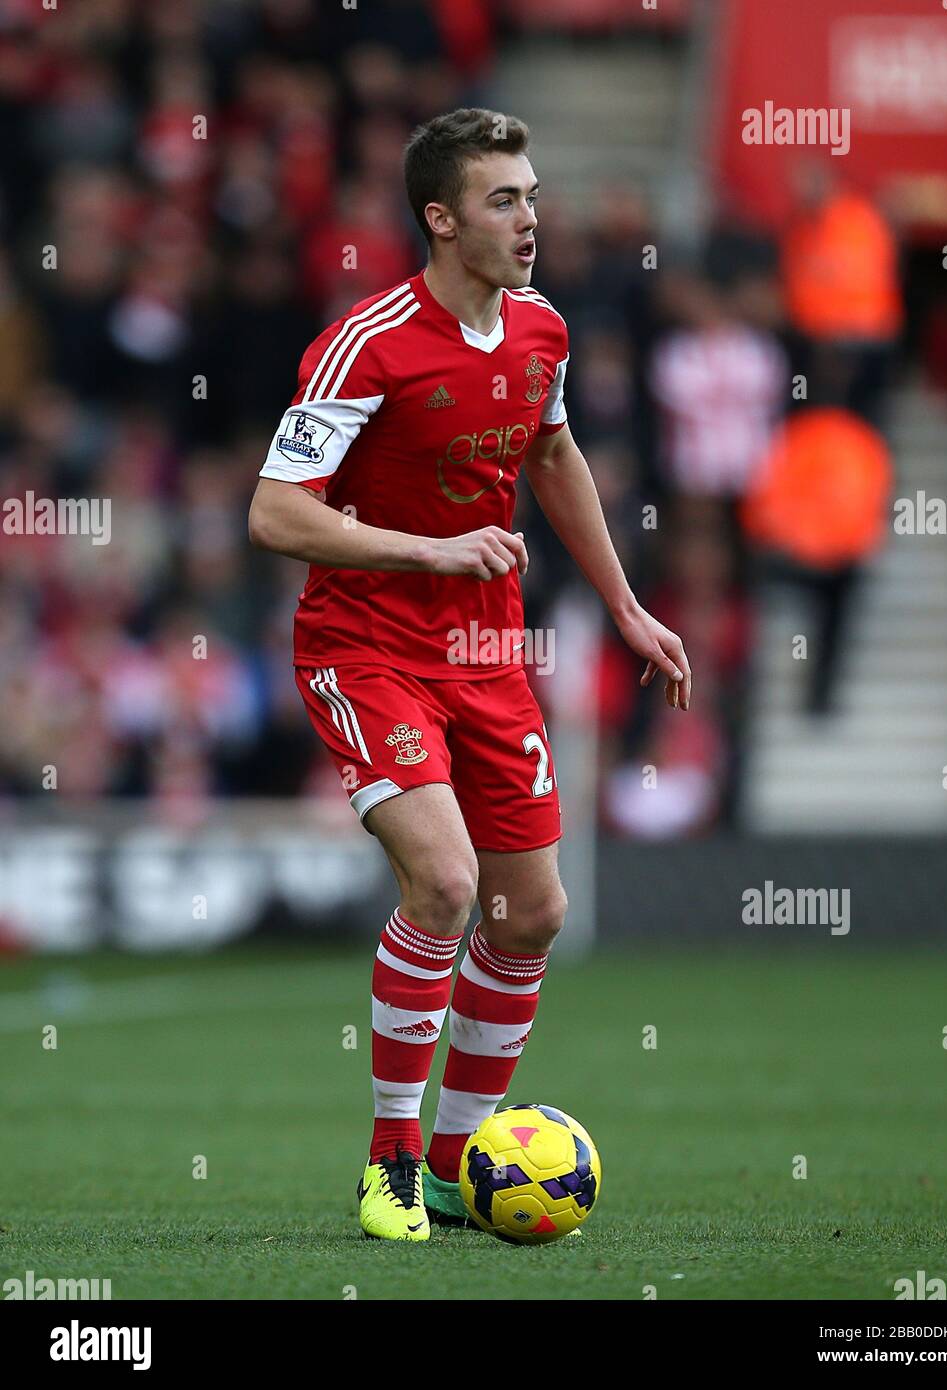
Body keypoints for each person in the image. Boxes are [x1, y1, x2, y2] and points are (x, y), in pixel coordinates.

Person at [247, 108, 691, 1241]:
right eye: (505, 200)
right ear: (442, 219)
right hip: (367, 649)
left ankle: (457, 1163)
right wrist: (427, 551)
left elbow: (550, 452)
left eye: (533, 195)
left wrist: (627, 605)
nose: (531, 218)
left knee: (531, 911)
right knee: (445, 883)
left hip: (488, 655)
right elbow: (275, 511)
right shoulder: (369, 344)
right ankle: (390, 1162)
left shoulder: (541, 330)